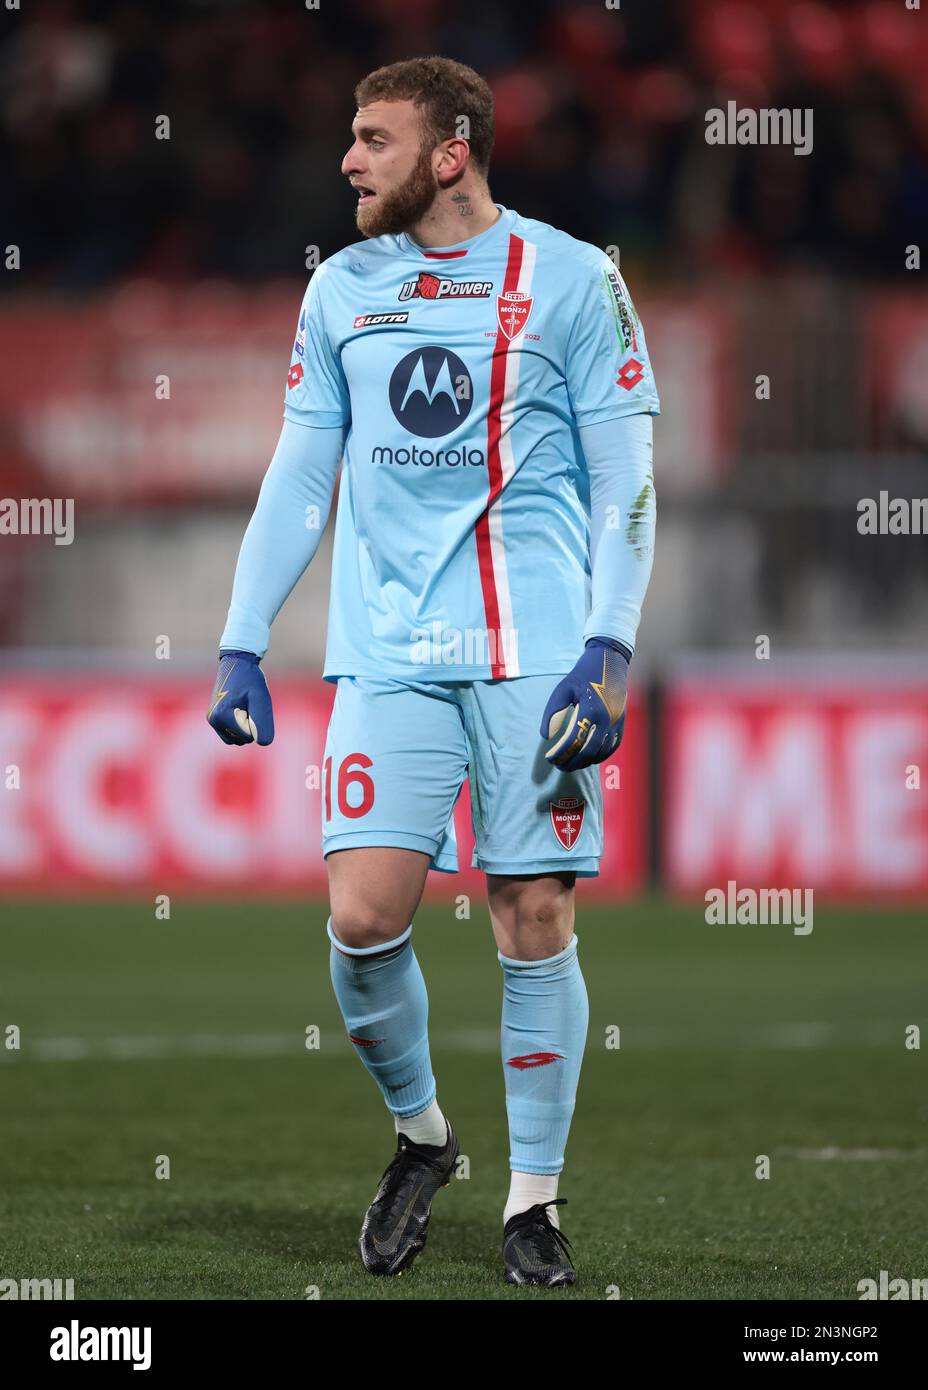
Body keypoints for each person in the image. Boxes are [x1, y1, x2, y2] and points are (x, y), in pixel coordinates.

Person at [207, 55, 659, 1287]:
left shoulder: (574, 279)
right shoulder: (341, 289)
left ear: (448, 150)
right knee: (361, 920)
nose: (347, 161)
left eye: (372, 138)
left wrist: (610, 646)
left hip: (538, 661)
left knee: (533, 916)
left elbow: (627, 484)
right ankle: (423, 1138)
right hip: (390, 655)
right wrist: (244, 635)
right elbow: (302, 473)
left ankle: (533, 1204)